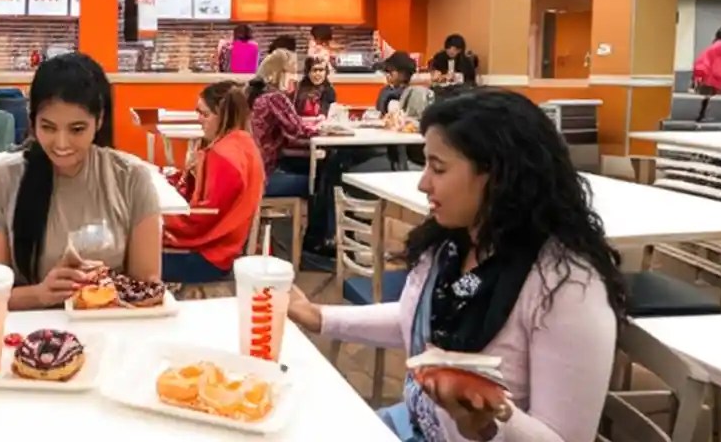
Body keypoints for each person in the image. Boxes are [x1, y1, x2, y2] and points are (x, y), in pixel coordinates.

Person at [288, 89, 625, 442]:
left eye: (438, 168)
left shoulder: (565, 286)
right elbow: (413, 316)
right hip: (409, 425)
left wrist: (490, 424)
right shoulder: (452, 244)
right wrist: (317, 316)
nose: (423, 182)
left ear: (496, 175)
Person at [0, 53, 163, 309]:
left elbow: (148, 286)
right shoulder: (1, 181)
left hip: (113, 328)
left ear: (98, 122)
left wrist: (104, 286)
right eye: (48, 127)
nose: (61, 144)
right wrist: (40, 294)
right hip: (25, 334)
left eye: (77, 129)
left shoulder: (131, 178)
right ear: (33, 122)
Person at [162, 81, 265, 283]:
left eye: (205, 114)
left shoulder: (223, 156)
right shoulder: (243, 143)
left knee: (128, 254)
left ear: (223, 115)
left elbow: (201, 217)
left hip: (210, 257)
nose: (199, 120)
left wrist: (157, 220)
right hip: (224, 248)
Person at [248, 49, 315, 197]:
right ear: (278, 73)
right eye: (291, 72)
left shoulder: (255, 94)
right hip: (265, 177)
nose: (296, 78)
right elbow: (298, 133)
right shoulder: (275, 98)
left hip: (251, 173)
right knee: (321, 180)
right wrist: (325, 130)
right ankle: (323, 221)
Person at [377, 51, 432, 118]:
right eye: (386, 71)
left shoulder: (414, 93)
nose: (387, 75)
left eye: (390, 71)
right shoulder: (385, 90)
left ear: (403, 73)